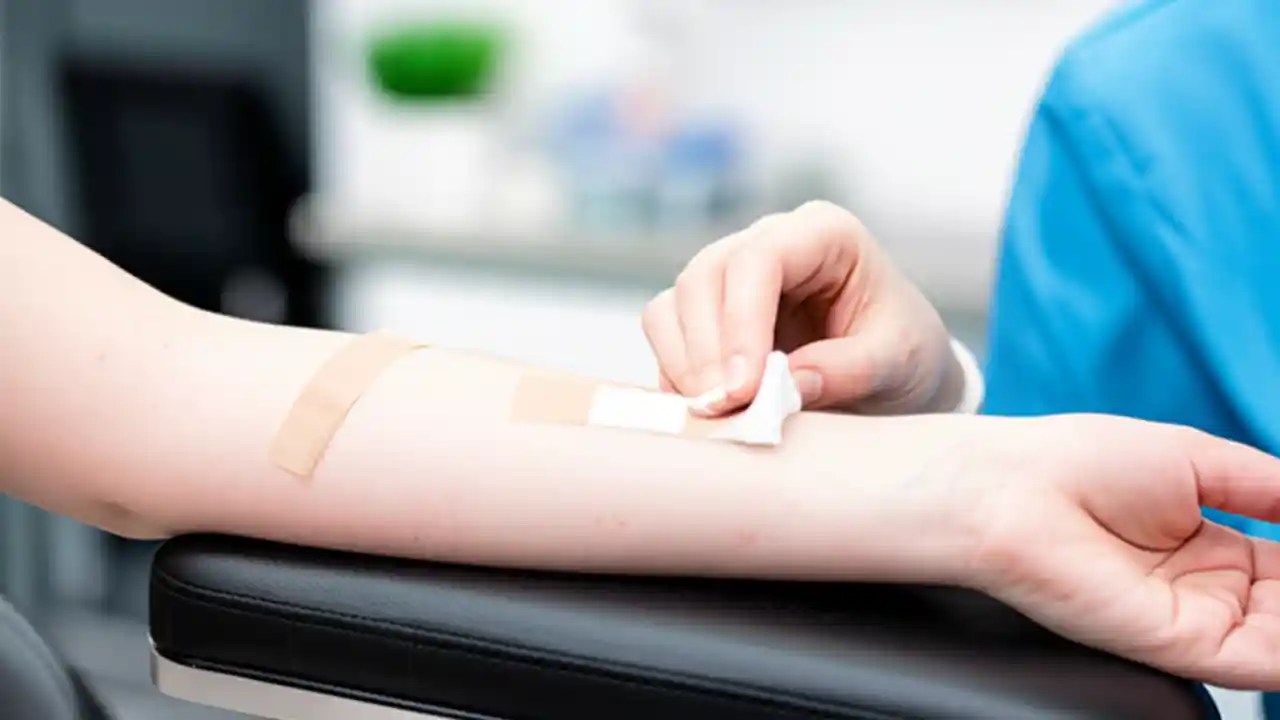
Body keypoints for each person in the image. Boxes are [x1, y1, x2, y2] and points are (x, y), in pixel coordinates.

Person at [3, 198, 1280, 691]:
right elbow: (174, 399)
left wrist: (966, 477)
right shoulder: (1160, 113)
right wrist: (965, 473)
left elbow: (188, 399)